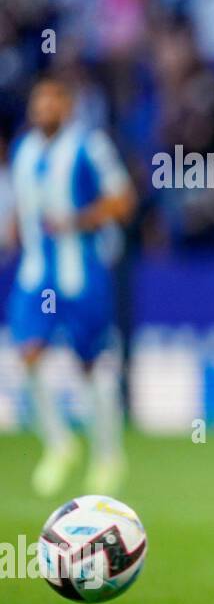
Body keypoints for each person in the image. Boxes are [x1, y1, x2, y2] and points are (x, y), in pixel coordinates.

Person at [6, 76, 135, 496]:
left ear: (67, 106)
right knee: (26, 353)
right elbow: (23, 210)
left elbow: (123, 200)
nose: (44, 110)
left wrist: (79, 221)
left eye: (52, 102)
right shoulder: (23, 152)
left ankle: (107, 455)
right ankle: (59, 444)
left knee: (90, 366)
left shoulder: (90, 147)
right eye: (38, 102)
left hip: (81, 275)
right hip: (35, 273)